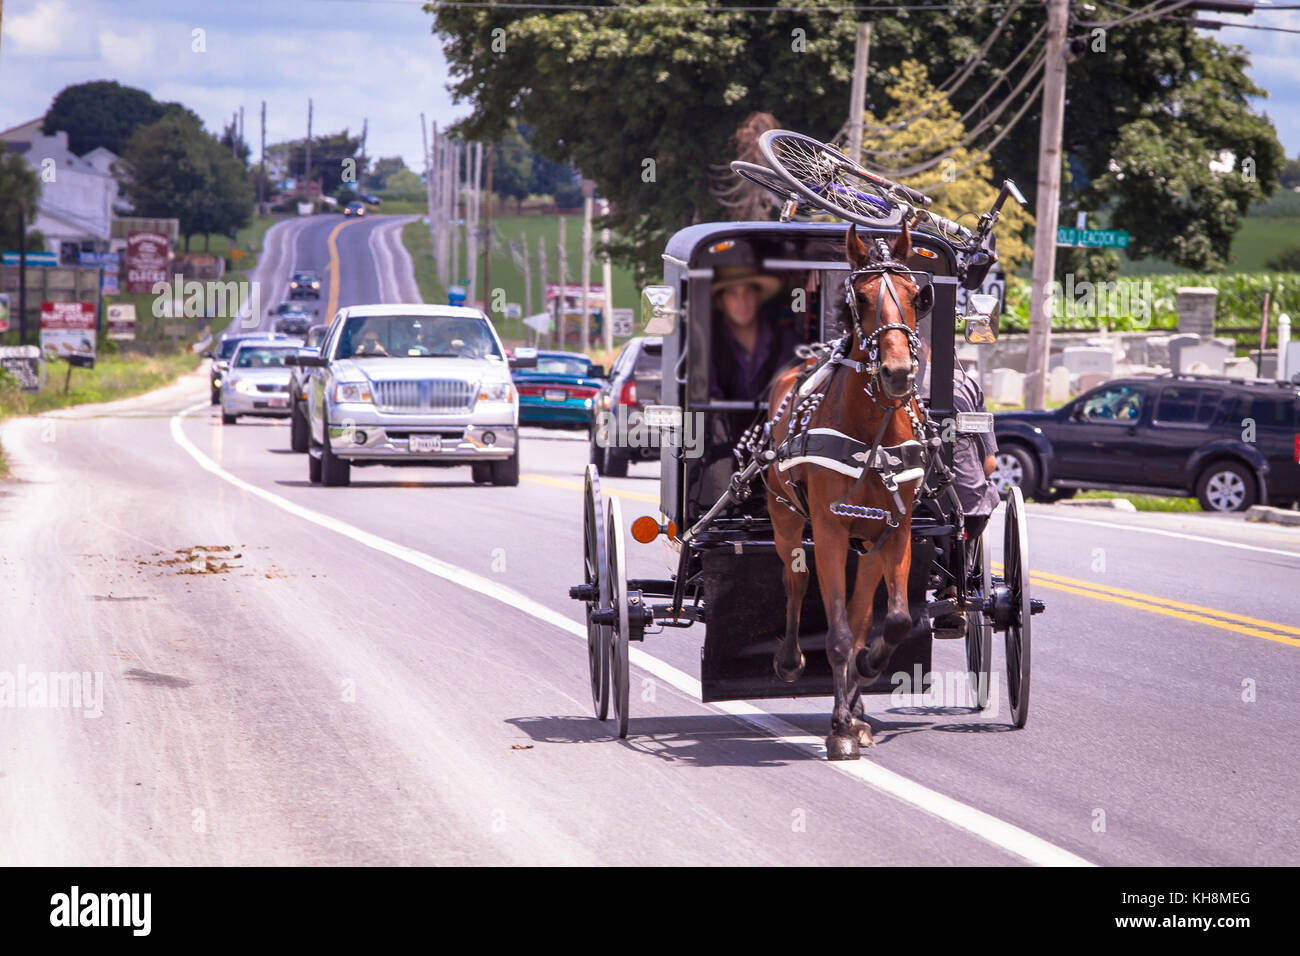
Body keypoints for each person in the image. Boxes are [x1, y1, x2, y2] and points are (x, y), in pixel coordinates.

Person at [709, 265, 800, 402]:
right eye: (732, 293)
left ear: (759, 296)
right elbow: (704, 403)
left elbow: (793, 397)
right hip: (718, 423)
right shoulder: (707, 344)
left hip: (776, 422)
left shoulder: (788, 341)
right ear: (720, 301)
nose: (742, 301)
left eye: (749, 291)